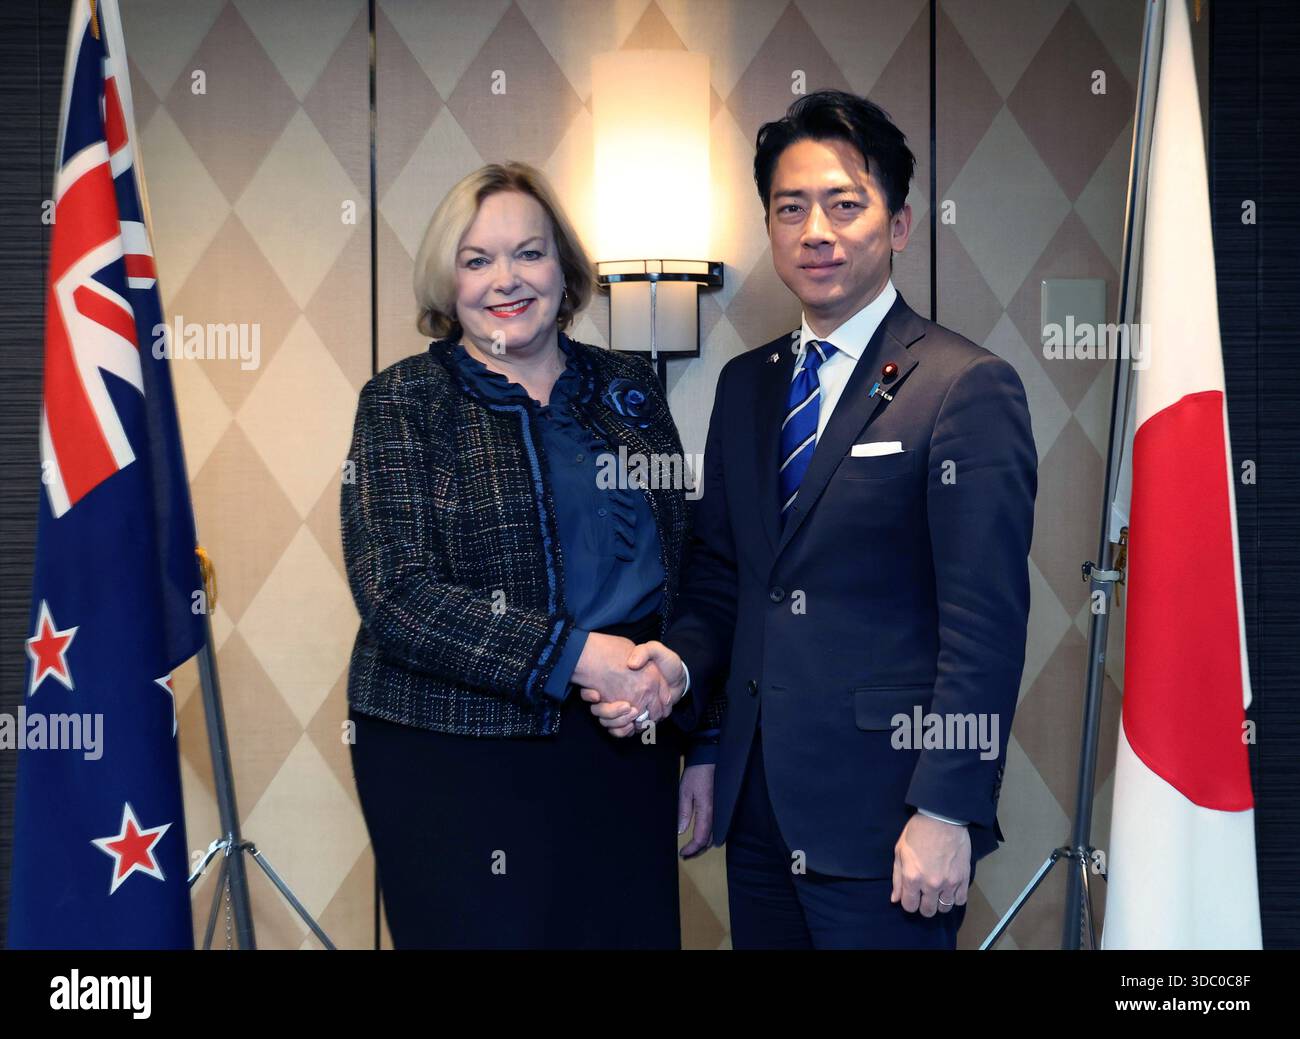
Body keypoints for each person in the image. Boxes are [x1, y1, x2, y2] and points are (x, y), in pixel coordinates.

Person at [597, 90, 1038, 948]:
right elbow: (725, 578)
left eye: (846, 204)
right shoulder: (748, 384)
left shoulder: (963, 387)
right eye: (790, 207)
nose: (816, 231)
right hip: (759, 811)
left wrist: (948, 804)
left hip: (892, 820)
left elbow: (984, 624)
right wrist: (701, 722)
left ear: (900, 224)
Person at [340, 161, 716, 949]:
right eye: (477, 259)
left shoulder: (629, 390)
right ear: (449, 281)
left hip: (625, 743)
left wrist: (693, 726)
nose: (505, 279)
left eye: (529, 253)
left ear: (565, 268)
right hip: (453, 760)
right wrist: (578, 656)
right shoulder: (402, 402)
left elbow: (692, 565)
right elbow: (394, 591)